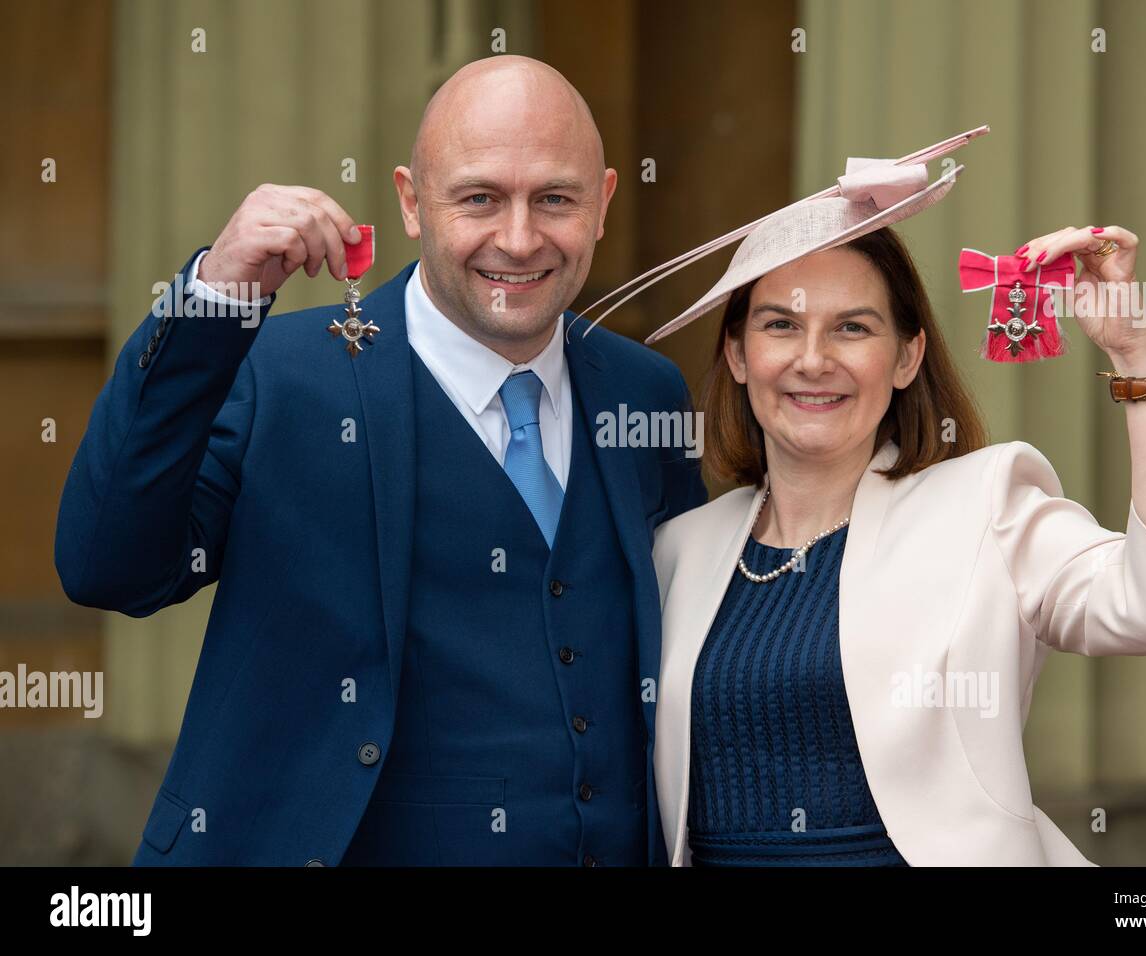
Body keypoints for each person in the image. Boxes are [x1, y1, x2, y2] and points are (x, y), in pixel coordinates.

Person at [55, 55, 706, 866]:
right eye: (478, 197)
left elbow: (699, 639)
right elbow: (106, 567)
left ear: (604, 202)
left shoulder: (645, 394)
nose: (518, 236)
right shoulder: (283, 375)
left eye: (555, 199)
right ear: (410, 201)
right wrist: (212, 301)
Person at [648, 199, 1146, 865]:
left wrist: (1135, 352)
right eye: (781, 325)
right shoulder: (678, 550)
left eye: (852, 328)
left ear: (907, 358)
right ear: (737, 353)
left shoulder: (983, 505)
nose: (812, 360)